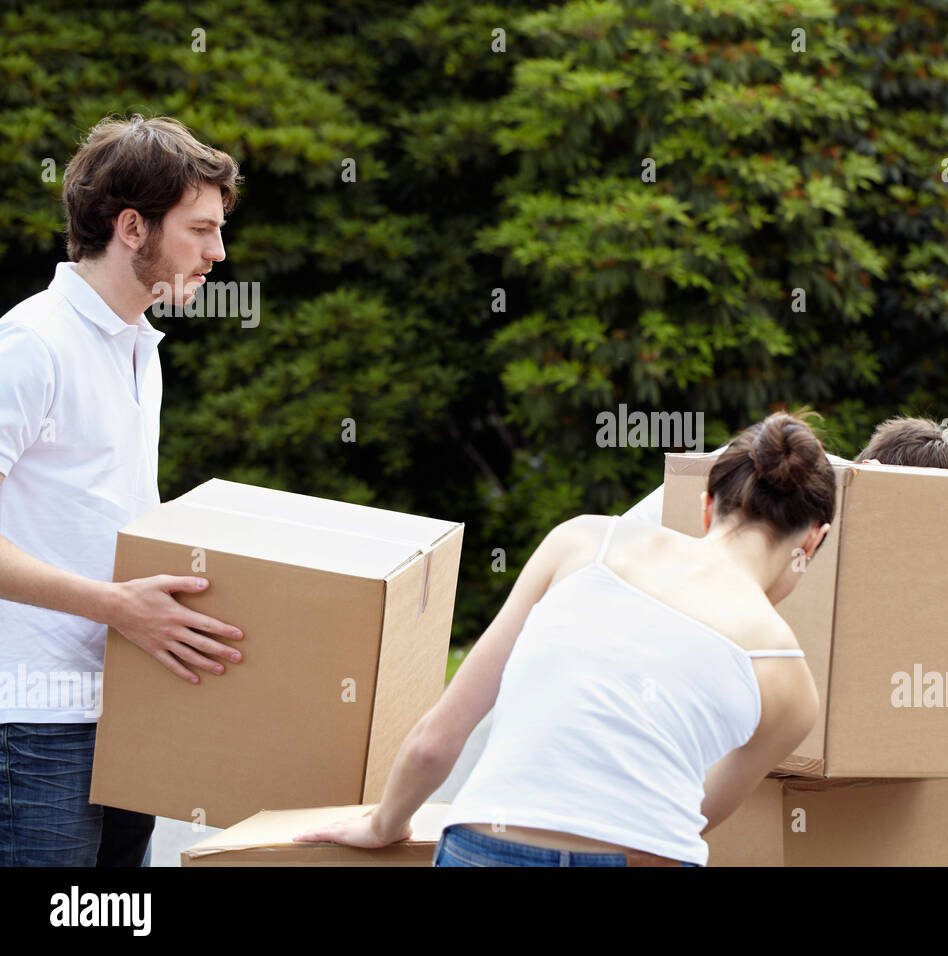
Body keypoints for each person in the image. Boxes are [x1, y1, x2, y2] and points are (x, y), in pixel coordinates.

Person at [296, 411, 834, 866]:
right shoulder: (791, 682)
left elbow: (438, 738)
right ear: (812, 541)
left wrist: (386, 822)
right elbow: (692, 815)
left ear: (707, 504)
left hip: (488, 845)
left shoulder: (583, 543)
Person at [0, 114, 245, 866]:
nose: (218, 253)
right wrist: (116, 607)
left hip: (126, 704)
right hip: (34, 722)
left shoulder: (141, 347)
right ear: (132, 227)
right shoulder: (32, 345)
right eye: (200, 229)